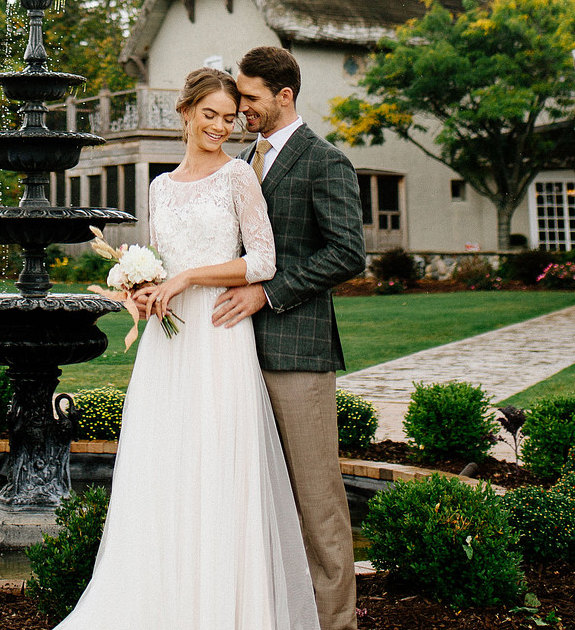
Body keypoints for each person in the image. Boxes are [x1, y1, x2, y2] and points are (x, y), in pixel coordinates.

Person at [53, 67, 320, 630]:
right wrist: (147, 287)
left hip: (220, 338)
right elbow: (165, 262)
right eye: (211, 115)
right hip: (168, 347)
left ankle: (222, 608)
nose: (222, 126)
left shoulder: (239, 178)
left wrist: (187, 279)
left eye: (230, 117)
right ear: (186, 112)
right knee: (164, 464)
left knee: (218, 463)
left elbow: (264, 262)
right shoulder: (160, 187)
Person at [211, 46, 366, 630]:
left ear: (284, 96)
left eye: (249, 98)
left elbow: (348, 252)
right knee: (250, 493)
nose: (239, 108)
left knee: (316, 497)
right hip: (230, 352)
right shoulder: (241, 160)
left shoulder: (325, 161)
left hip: (297, 352)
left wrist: (268, 294)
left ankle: (335, 622)